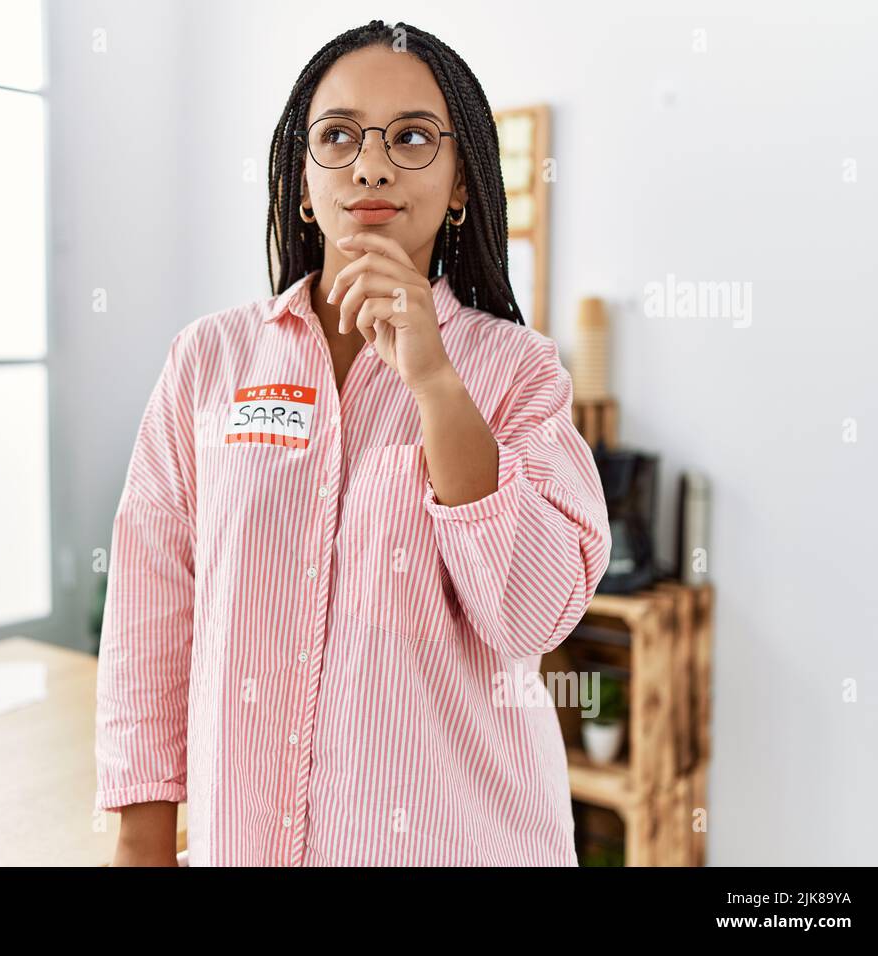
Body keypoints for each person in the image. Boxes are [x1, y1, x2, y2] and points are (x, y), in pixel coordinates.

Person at [95, 19, 612, 866]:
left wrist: (438, 386)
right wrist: (141, 840)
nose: (371, 164)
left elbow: (531, 612)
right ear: (304, 181)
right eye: (337, 136)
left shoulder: (518, 372)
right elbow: (151, 612)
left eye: (411, 138)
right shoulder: (207, 362)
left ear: (460, 185)